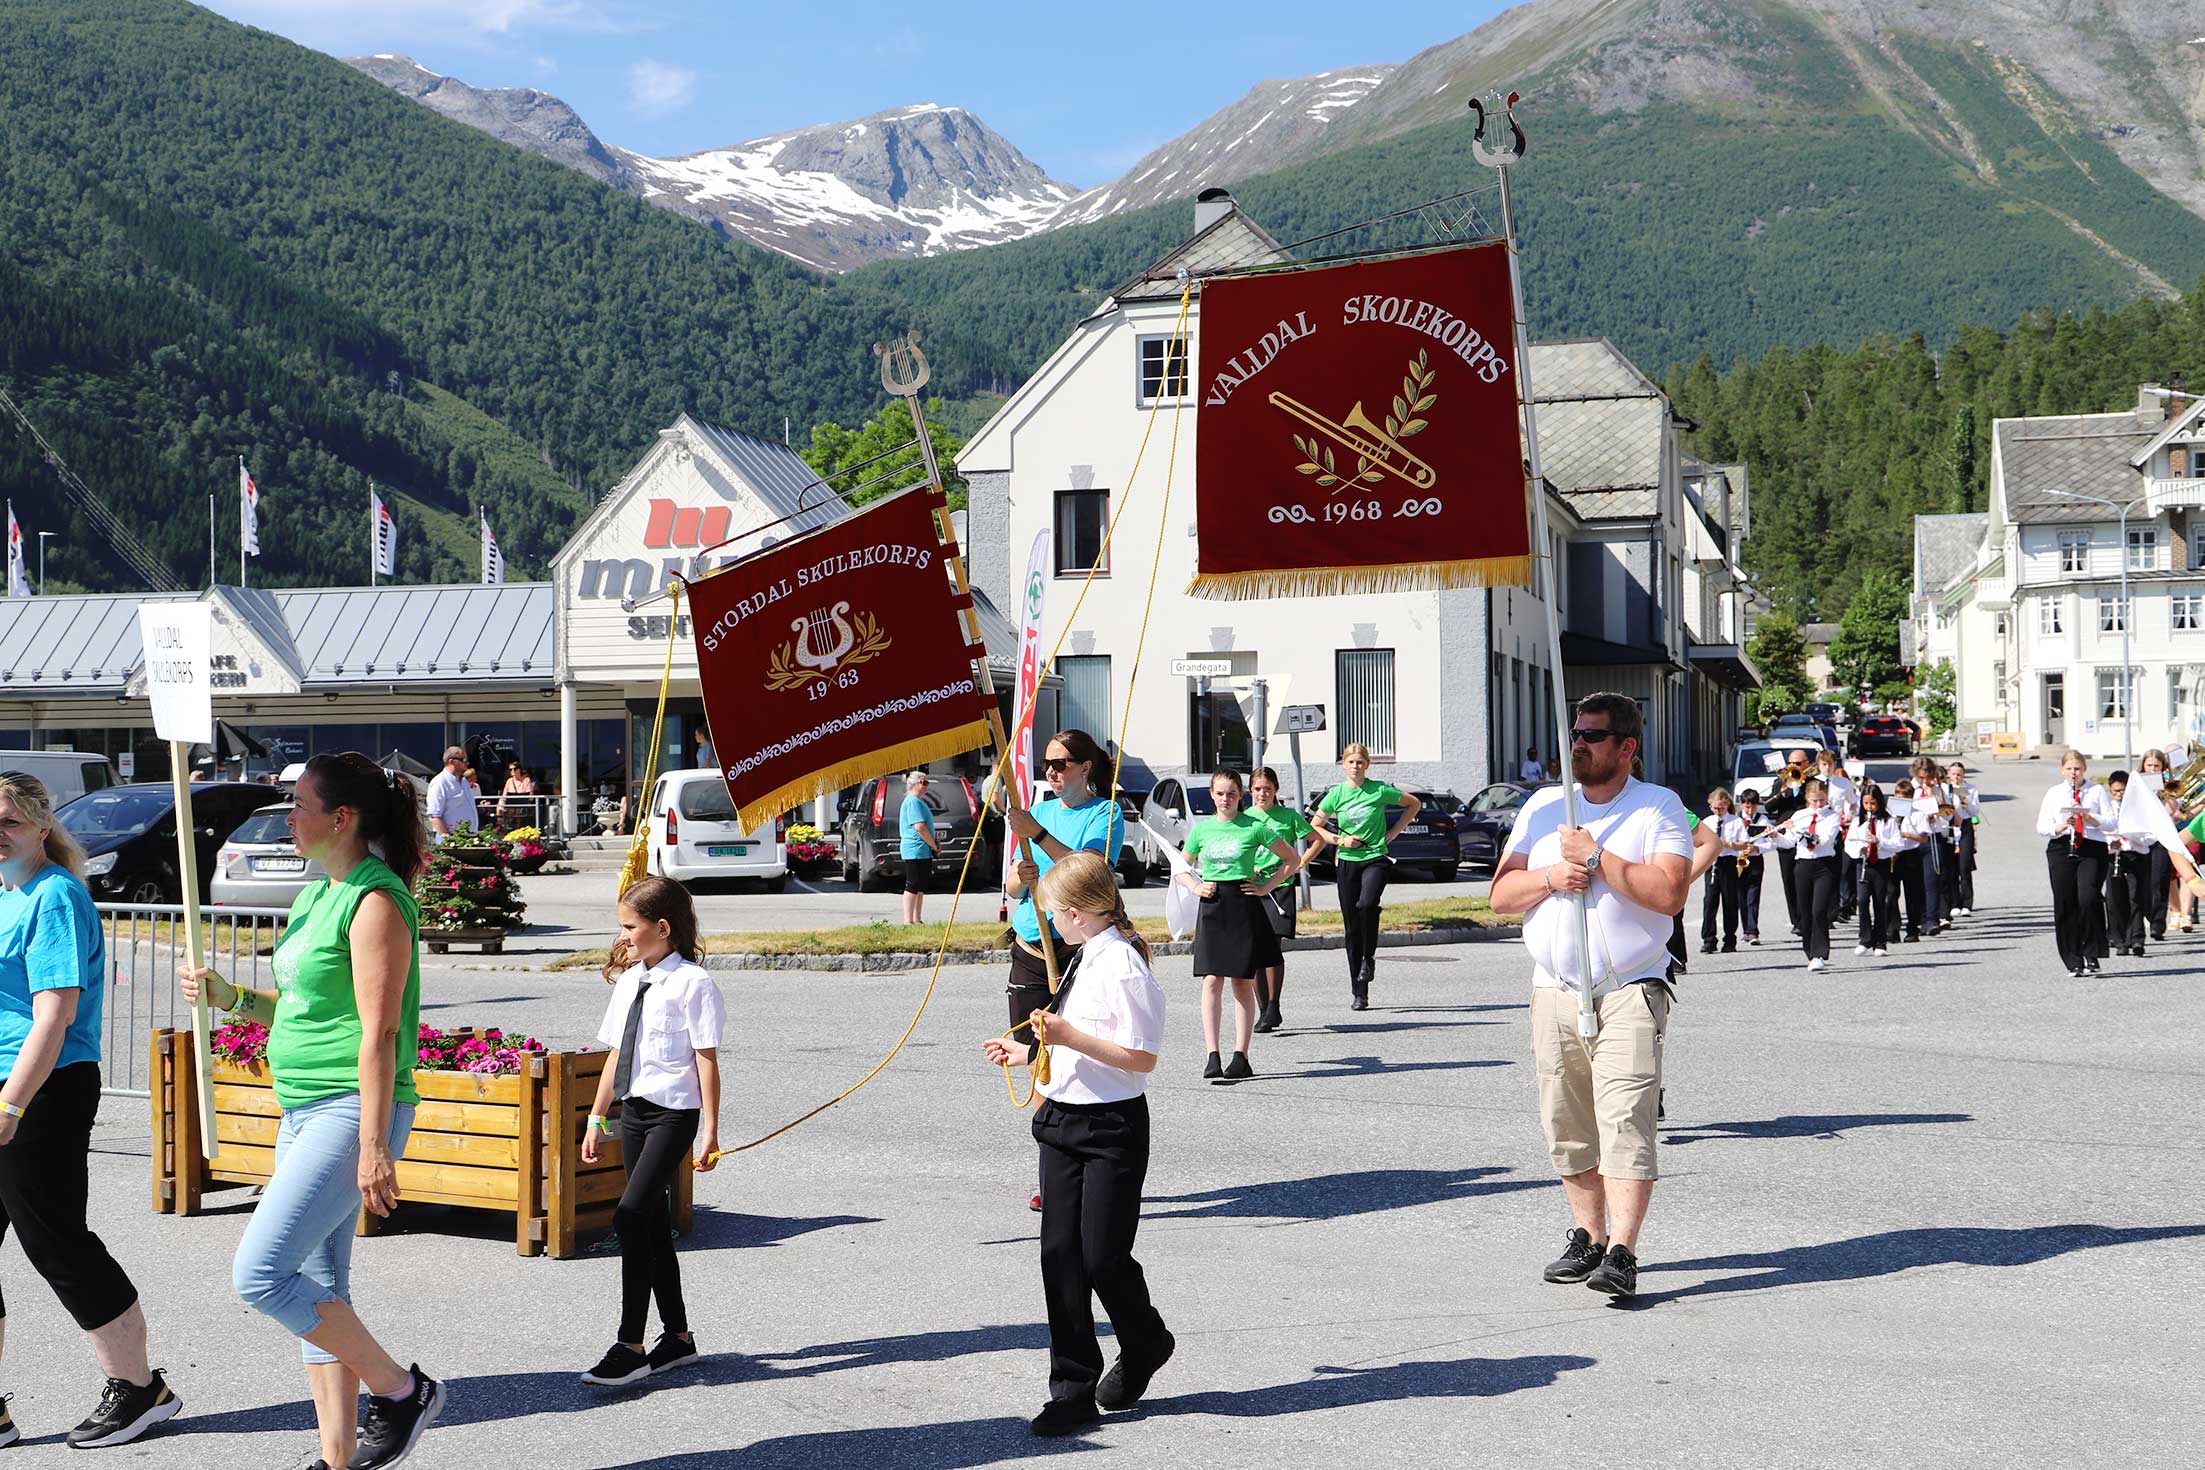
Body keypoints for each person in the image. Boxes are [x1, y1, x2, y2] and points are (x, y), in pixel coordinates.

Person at [179, 752, 444, 1470]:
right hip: (300, 1109)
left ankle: (402, 1391)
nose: (287, 818)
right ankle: (338, 1460)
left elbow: (380, 1030)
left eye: (297, 805)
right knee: (320, 1290)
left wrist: (374, 1146)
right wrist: (231, 998)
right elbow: (299, 1009)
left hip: (350, 1110)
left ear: (341, 818)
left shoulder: (375, 900)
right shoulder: (315, 895)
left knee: (261, 1274)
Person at [1489, 692, 1692, 1300]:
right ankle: (1589, 1235)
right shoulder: (1545, 806)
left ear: (1626, 748)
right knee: (1566, 1122)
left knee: (1625, 1118)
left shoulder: (1658, 807)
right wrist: (1551, 876)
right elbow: (1501, 896)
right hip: (1553, 989)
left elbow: (1668, 894)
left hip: (1629, 988)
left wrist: (1597, 859)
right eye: (1575, 733)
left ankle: (1625, 1251)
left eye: (1593, 736)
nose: (1577, 743)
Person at [0, 774, 180, 1450]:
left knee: (55, 1241)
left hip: (46, 1086)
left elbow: (55, 1013)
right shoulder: (4, 892)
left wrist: (12, 1103)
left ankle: (140, 1389)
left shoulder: (56, 897)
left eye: (10, 821)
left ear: (42, 826)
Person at [981, 851, 1173, 1437]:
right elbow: (1078, 1042)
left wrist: (1068, 1035)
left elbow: (1140, 1060)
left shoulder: (1124, 966)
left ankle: (1145, 1341)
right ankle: (1072, 1387)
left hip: (1111, 1127)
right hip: (1062, 1121)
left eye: (1052, 915)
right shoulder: (1084, 957)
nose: (1050, 926)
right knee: (1058, 1256)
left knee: (1102, 1258)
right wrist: (1033, 1053)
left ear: (1077, 913)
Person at [579, 877, 723, 1387]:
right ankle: (679, 1339)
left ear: (662, 929)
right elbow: (616, 1053)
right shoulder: (630, 983)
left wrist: (709, 1131)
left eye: (629, 927)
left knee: (631, 1215)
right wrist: (598, 1117)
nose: (622, 937)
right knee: (654, 1225)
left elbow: (706, 1061)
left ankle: (631, 1344)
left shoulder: (693, 984)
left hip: (673, 1116)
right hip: (635, 1113)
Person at [1001, 731, 1124, 1211]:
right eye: (1046, 763)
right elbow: (1013, 881)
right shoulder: (1038, 812)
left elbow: (1091, 871)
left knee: (1079, 1055)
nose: (1050, 772)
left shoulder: (1105, 814)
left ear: (1085, 767)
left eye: (1060, 763)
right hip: (1032, 946)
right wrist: (1020, 877)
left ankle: (1090, 1161)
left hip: (1077, 951)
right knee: (1036, 1056)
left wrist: (1038, 836)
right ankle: (1052, 1173)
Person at [1178, 772, 1302, 1081]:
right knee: (1210, 981)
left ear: (1240, 795)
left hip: (1243, 904)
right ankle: (1212, 1054)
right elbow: (1180, 867)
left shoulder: (1254, 826)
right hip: (1212, 905)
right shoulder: (1202, 829)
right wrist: (1195, 887)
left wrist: (1265, 887)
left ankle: (1241, 1055)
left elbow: (1292, 859)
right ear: (1212, 794)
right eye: (1220, 793)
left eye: (1231, 793)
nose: (1225, 798)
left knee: (1241, 982)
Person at [1307, 744, 1420, 1011]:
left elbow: (1414, 804)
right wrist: (1340, 840)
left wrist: (1394, 831)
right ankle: (1359, 992)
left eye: (1360, 762)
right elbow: (1314, 827)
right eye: (1351, 762)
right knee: (1351, 929)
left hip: (1375, 858)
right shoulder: (1335, 795)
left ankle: (1369, 958)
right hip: (1347, 863)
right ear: (1343, 765)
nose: (1356, 766)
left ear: (1367, 764)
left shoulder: (1378, 790)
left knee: (1366, 905)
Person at [1244, 768, 1314, 1033]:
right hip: (1252, 887)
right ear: (1251, 791)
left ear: (1275, 789)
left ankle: (1274, 1005)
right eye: (1258, 789)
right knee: (1253, 951)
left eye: (1268, 788)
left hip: (1280, 887)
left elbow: (1314, 839)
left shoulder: (1288, 817)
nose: (1263, 793)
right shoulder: (1245, 817)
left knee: (1272, 946)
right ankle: (1263, 1011)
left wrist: (1300, 863)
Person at [2036, 749, 2115, 977]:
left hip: (2091, 847)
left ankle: (2092, 951)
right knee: (2065, 902)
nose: (2073, 773)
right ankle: (2072, 959)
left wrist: (2090, 817)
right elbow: (2042, 825)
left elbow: (2110, 823)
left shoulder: (2096, 791)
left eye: (2077, 768)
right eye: (2069, 769)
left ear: (2084, 769)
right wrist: (2059, 826)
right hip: (2062, 847)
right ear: (2063, 770)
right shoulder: (2054, 793)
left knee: (2088, 897)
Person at [1779, 777, 1844, 972]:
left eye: (1822, 800)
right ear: (1807, 798)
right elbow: (1789, 843)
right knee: (1804, 912)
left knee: (1819, 910)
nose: (1818, 805)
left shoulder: (1832, 816)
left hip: (1824, 865)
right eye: (1815, 800)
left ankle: (1819, 953)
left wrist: (1796, 829)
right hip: (1803, 865)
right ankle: (1809, 951)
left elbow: (1823, 840)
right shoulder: (1800, 815)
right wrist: (1776, 835)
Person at [1845, 783, 1900, 959]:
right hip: (1863, 863)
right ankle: (1864, 939)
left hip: (1881, 864)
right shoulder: (1857, 821)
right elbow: (1849, 844)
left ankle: (1880, 941)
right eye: (1866, 804)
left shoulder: (1888, 821)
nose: (1869, 808)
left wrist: (1879, 842)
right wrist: (1859, 849)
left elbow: (1898, 844)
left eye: (1873, 804)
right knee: (1861, 901)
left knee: (1879, 902)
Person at [1762, 749, 1813, 936]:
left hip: (1804, 835)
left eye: (1798, 764)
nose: (1794, 767)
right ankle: (1796, 920)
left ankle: (1808, 917)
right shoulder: (1780, 783)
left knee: (1806, 879)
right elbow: (1768, 806)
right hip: (1785, 836)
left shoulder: (1812, 783)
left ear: (1806, 763)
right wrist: (1782, 794)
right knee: (1789, 879)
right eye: (1791, 764)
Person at [2104, 771, 2151, 959]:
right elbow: (2101, 830)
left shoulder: (2139, 809)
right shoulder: (2107, 808)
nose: (2119, 795)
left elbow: (2149, 837)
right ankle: (2120, 940)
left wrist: (2131, 835)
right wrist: (2110, 842)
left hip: (2135, 854)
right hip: (2113, 854)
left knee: (2136, 897)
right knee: (2114, 899)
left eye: (2122, 791)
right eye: (2115, 791)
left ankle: (2137, 939)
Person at [1697, 788, 1747, 955]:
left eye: (1721, 808)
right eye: (1714, 808)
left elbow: (1744, 844)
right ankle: (1709, 939)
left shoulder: (1735, 821)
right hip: (1712, 862)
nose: (1718, 811)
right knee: (1710, 901)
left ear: (1727, 804)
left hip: (1728, 861)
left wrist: (1728, 844)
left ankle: (1730, 939)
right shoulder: (1707, 822)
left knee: (1730, 901)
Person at [898, 772, 940, 926]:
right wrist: (933, 845)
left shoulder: (919, 801)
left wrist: (934, 842)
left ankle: (917, 918)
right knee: (913, 884)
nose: (926, 785)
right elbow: (920, 827)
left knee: (921, 885)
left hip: (923, 850)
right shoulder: (912, 801)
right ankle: (908, 920)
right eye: (924, 782)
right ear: (914, 784)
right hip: (914, 849)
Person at [1943, 761, 1981, 917]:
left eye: (1959, 774)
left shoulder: (1970, 789)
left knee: (1964, 866)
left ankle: (1967, 903)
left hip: (1965, 826)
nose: (1956, 777)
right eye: (1953, 774)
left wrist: (1964, 799)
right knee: (1951, 866)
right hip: (1949, 825)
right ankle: (1954, 902)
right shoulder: (1945, 788)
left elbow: (1974, 811)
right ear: (1948, 774)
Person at [1735, 788, 1771, 945]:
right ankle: (1746, 931)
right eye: (1747, 806)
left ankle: (1753, 931)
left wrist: (1757, 848)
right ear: (1742, 804)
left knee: (1753, 896)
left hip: (1755, 860)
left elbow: (1771, 843)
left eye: (1753, 807)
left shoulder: (1763, 820)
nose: (1750, 810)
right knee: (1741, 896)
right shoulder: (1736, 820)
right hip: (1739, 860)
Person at [424, 746, 475, 843]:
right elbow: (434, 816)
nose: (467, 762)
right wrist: (448, 841)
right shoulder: (440, 782)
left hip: (468, 838)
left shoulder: (464, 781)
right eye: (463, 759)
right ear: (451, 761)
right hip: (451, 841)